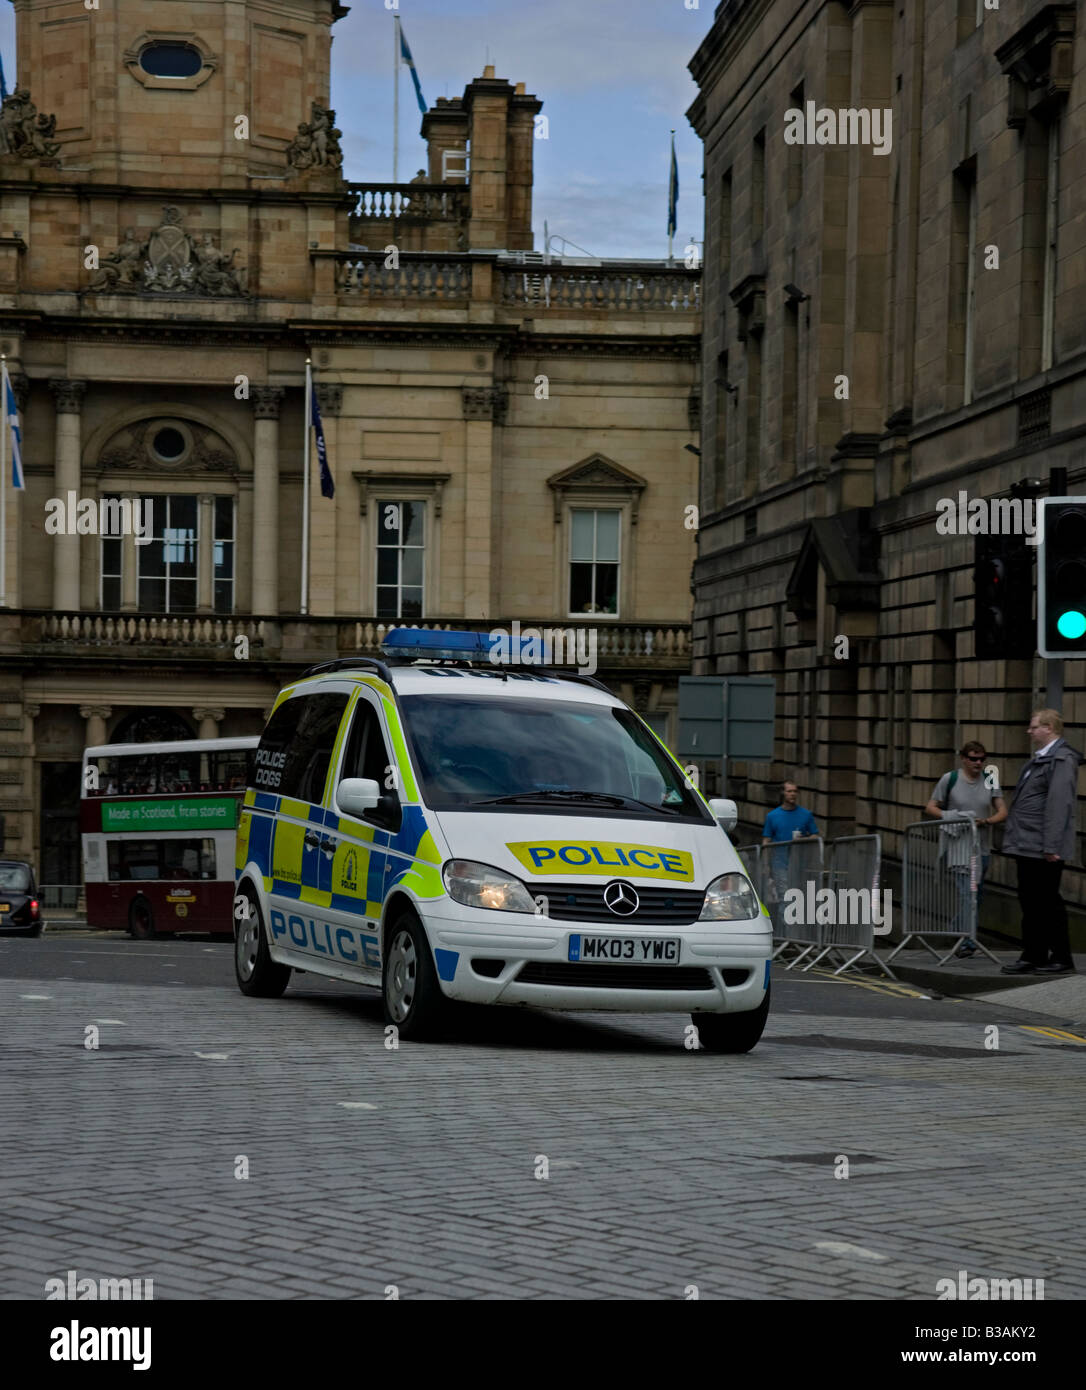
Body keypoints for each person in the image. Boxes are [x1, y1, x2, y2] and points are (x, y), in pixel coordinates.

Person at [1000, 709, 1081, 975]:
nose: (1029, 731)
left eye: (1033, 727)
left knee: (1048, 903)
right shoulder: (1039, 760)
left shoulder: (1061, 760)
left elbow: (1059, 806)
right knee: (1031, 903)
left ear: (1048, 728)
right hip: (1027, 843)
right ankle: (1033, 955)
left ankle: (1061, 958)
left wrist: (1051, 846)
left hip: (1042, 846)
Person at [924, 740, 1006, 956]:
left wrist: (986, 822)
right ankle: (966, 942)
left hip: (982, 848)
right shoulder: (949, 779)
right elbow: (931, 807)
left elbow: (1002, 811)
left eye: (981, 759)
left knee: (975, 896)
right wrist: (954, 817)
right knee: (966, 895)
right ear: (963, 759)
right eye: (973, 758)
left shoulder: (989, 780)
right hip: (958, 847)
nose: (978, 763)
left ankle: (956, 932)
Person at [762, 782, 818, 923]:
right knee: (785, 898)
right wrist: (765, 864)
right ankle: (786, 933)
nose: (793, 794)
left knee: (800, 898)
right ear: (783, 793)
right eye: (789, 791)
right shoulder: (772, 816)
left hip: (801, 863)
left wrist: (803, 839)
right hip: (780, 863)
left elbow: (815, 835)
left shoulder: (806, 815)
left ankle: (797, 933)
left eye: (795, 791)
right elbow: (766, 840)